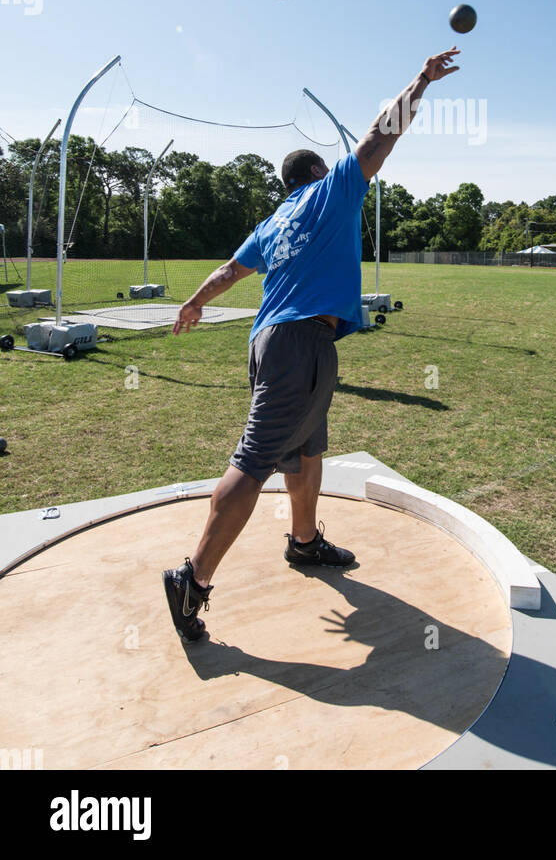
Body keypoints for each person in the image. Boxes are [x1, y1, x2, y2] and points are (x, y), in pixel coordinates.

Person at [162, 47, 460, 642]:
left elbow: (228, 270)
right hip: (301, 342)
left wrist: (195, 301)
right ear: (321, 176)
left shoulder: (274, 221)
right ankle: (191, 579)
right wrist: (421, 81)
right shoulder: (332, 195)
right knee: (253, 461)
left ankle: (303, 542)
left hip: (275, 339)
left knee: (305, 451)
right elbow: (378, 138)